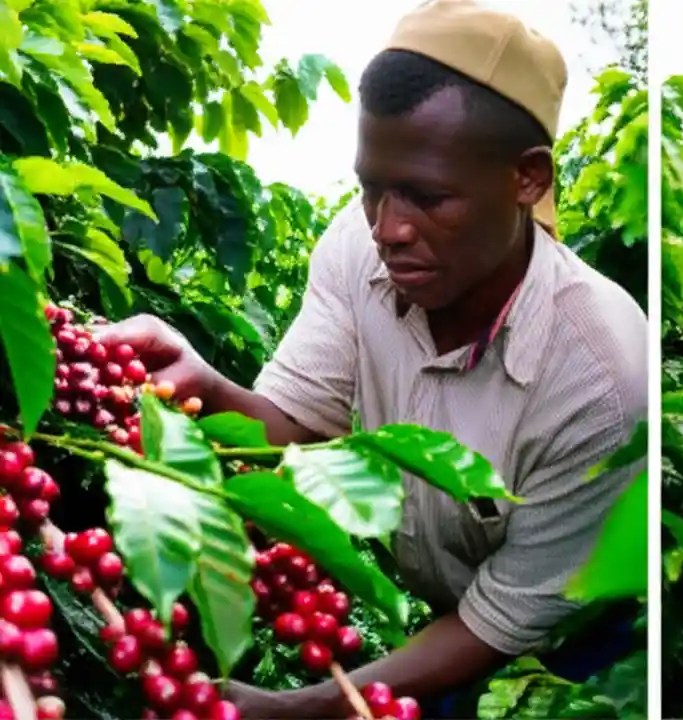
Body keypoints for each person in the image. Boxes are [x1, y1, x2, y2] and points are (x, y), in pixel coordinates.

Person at [94, 1, 647, 717]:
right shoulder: (359, 249)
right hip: (451, 617)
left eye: (427, 197)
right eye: (371, 189)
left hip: (578, 648)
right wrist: (206, 385)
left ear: (528, 180)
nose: (388, 229)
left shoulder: (601, 379)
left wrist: (301, 709)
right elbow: (299, 428)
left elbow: (499, 624)